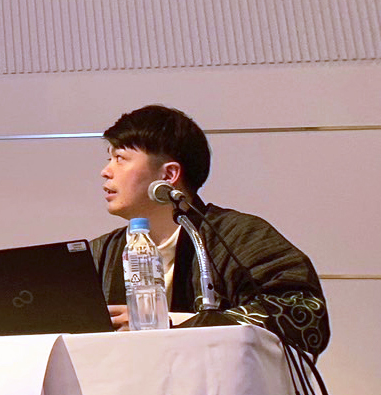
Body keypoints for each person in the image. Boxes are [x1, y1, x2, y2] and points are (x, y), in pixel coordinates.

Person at [90, 104, 329, 355]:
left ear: (169, 174)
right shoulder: (100, 252)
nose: (106, 172)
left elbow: (302, 314)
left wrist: (175, 323)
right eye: (109, 159)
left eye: (120, 159)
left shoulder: (238, 237)